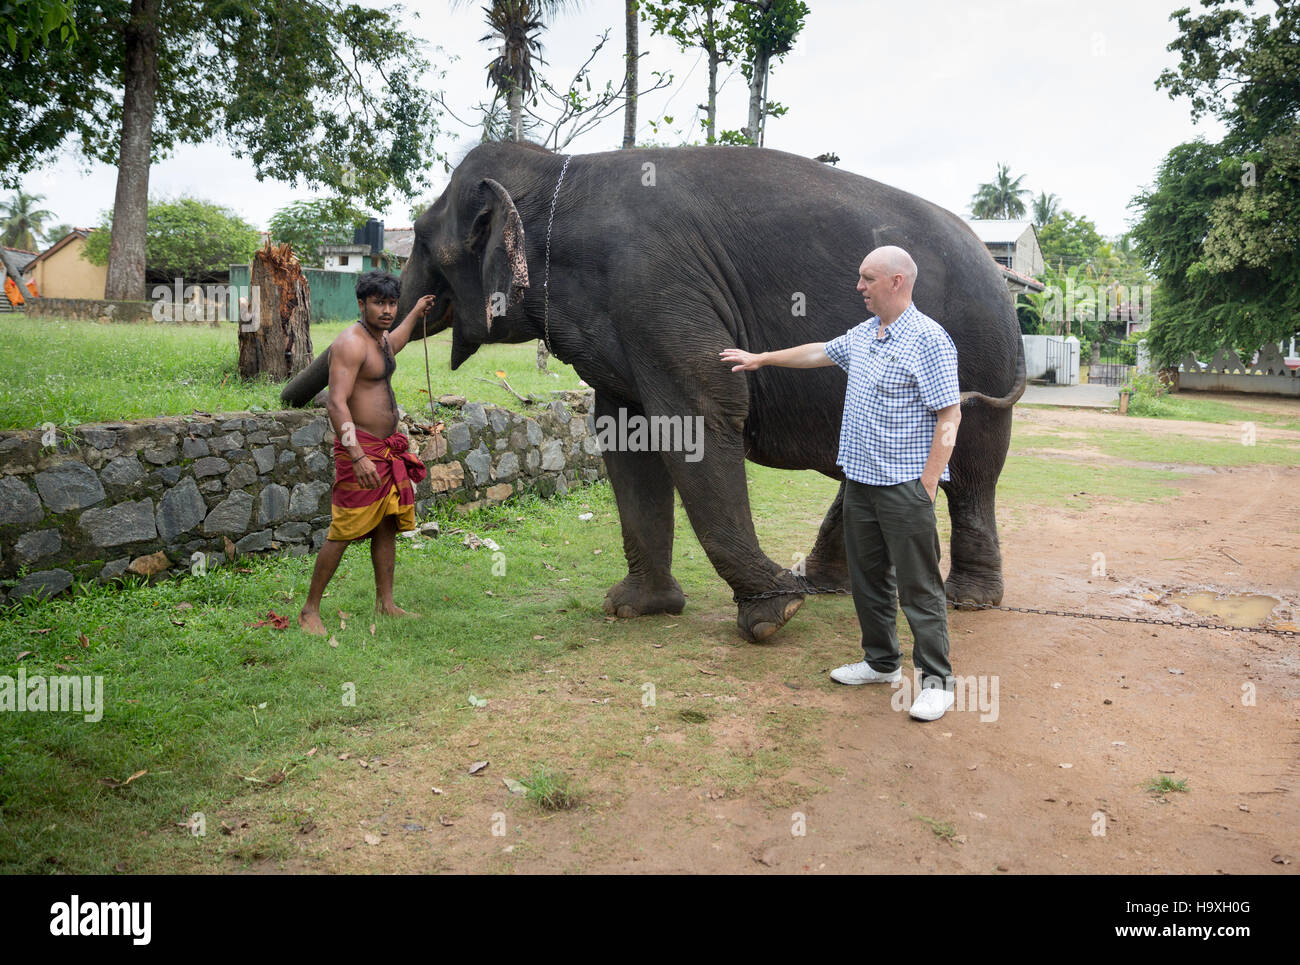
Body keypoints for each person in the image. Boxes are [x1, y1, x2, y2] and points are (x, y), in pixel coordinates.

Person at [718, 246, 963, 721]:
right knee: (868, 582)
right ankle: (881, 663)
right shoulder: (868, 333)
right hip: (861, 484)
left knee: (919, 587)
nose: (859, 287)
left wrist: (928, 484)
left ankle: (937, 682)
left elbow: (950, 414)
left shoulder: (930, 340)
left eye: (867, 278)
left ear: (896, 281)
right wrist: (762, 358)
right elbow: (818, 352)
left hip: (905, 488)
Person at [298, 271, 436, 635]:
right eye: (379, 303)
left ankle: (386, 603)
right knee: (343, 530)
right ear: (361, 304)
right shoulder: (351, 344)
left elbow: (398, 341)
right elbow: (336, 403)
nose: (387, 310)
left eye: (392, 303)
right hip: (359, 449)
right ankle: (310, 610)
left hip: (387, 450)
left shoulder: (382, 340)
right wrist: (356, 453)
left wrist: (417, 312)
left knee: (387, 524)